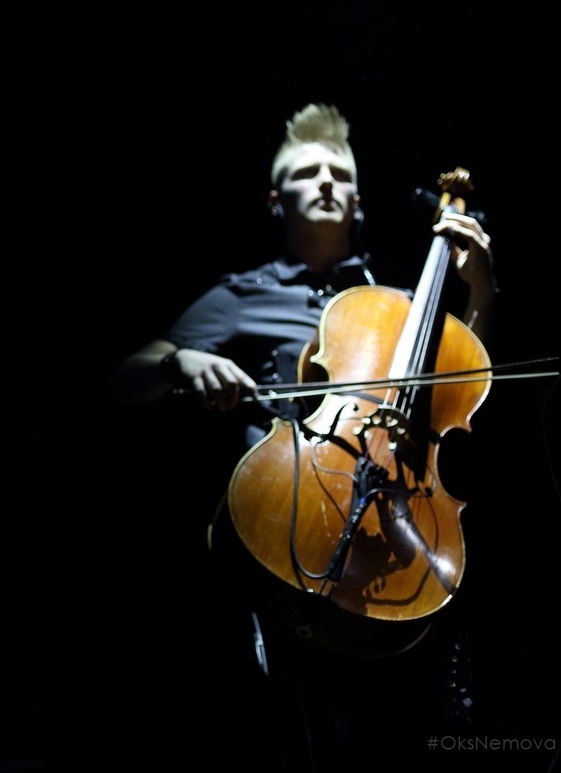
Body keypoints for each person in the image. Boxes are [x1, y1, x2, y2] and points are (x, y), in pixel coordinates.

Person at [108, 103, 497, 771]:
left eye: (338, 173)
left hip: (394, 529)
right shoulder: (238, 295)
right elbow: (124, 380)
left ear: (358, 198)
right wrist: (181, 360)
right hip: (283, 527)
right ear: (275, 197)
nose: (324, 182)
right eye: (306, 171)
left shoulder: (400, 304)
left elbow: (456, 390)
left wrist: (480, 291)